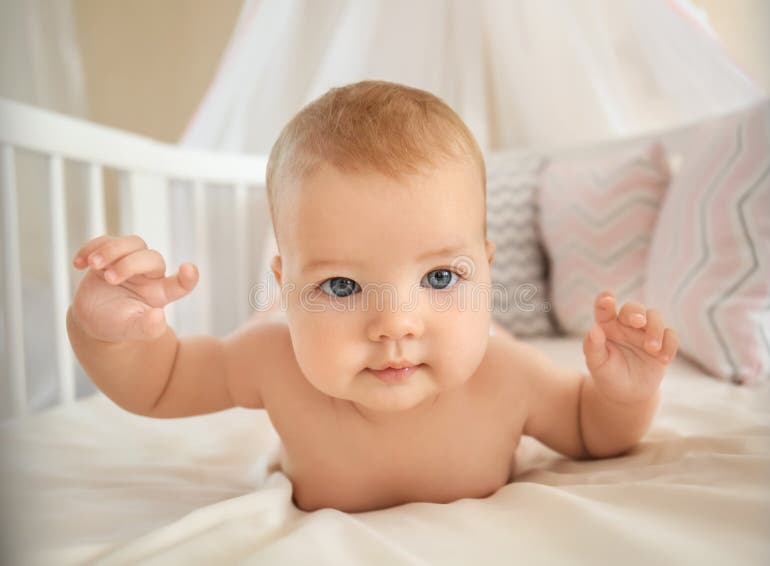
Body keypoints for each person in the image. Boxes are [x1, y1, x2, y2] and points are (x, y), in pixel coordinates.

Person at [67, 80, 679, 513]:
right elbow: (162, 382)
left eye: (440, 279)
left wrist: (622, 397)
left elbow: (590, 431)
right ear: (285, 290)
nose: (394, 325)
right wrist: (105, 334)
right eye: (340, 286)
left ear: (486, 275)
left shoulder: (506, 375)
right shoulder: (272, 362)